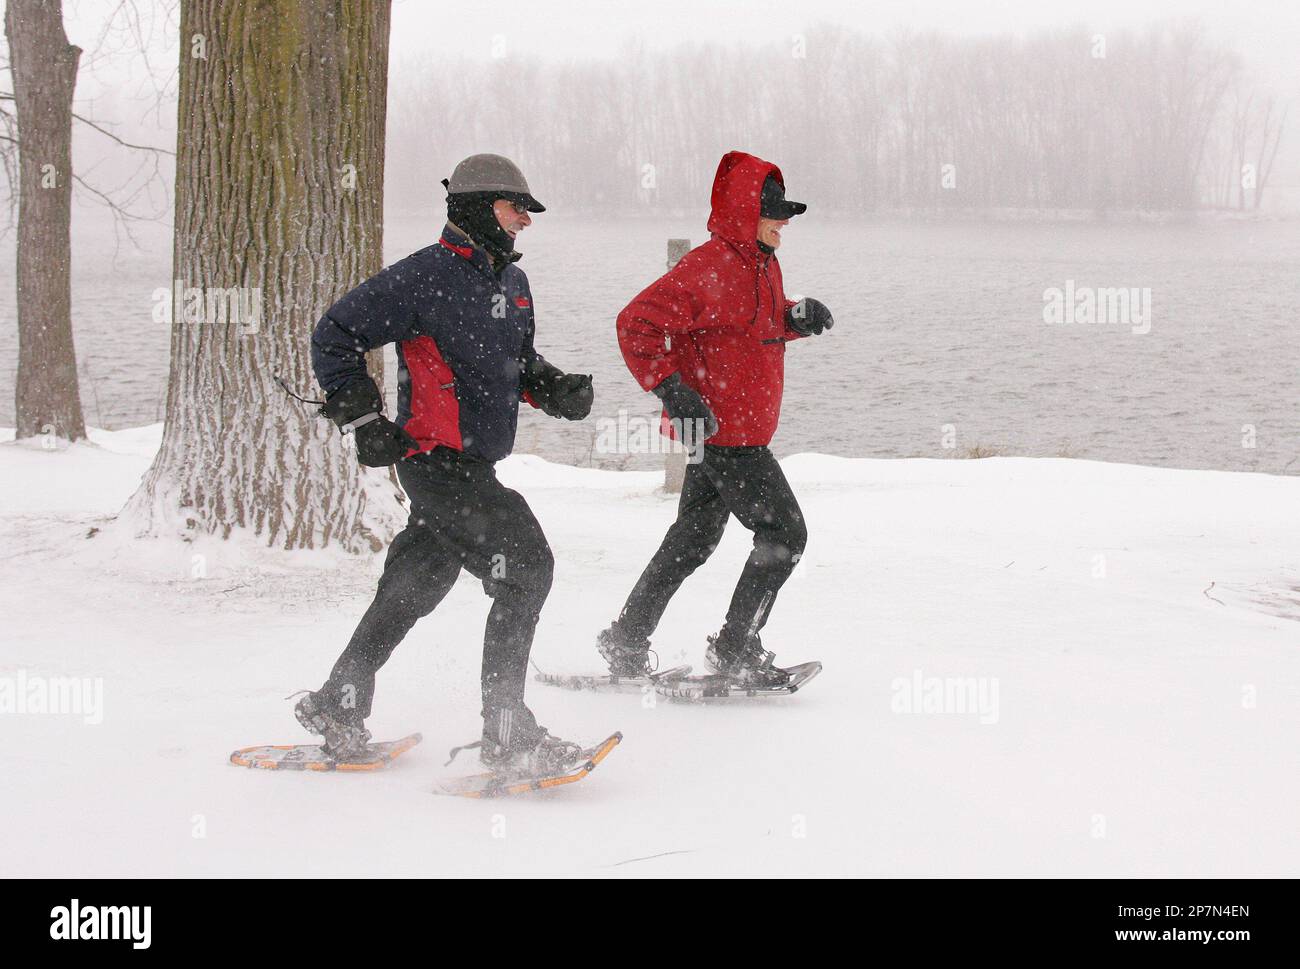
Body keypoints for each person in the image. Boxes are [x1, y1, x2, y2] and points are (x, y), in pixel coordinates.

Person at [297, 153, 594, 772]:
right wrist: (363, 419)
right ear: (479, 207)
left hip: (475, 470)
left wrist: (554, 388)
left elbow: (517, 364)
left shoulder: (513, 285)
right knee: (527, 567)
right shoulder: (421, 277)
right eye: (518, 208)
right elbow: (335, 335)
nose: (526, 221)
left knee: (414, 586)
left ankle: (337, 703)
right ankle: (507, 730)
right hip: (434, 464)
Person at [597, 150, 834, 687]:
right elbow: (635, 323)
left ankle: (627, 637)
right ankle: (735, 649)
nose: (785, 223)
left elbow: (750, 328)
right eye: (776, 213)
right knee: (784, 533)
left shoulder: (761, 262)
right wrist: (670, 389)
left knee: (693, 538)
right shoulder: (706, 265)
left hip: (733, 429)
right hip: (726, 434)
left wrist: (794, 317)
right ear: (745, 212)